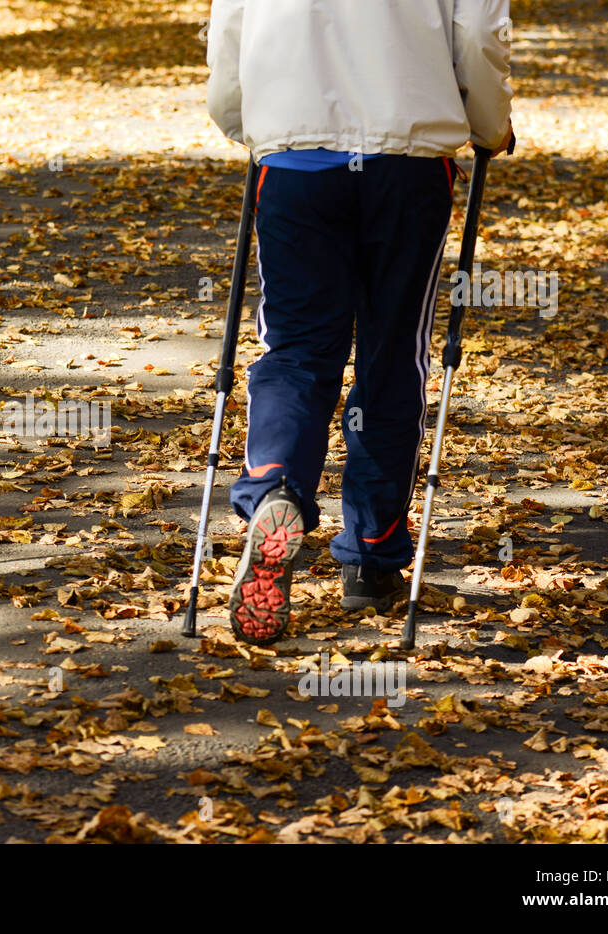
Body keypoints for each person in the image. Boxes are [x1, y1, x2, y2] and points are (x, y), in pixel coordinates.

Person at [206, 0, 514, 644]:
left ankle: (274, 489)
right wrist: (489, 126)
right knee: (391, 356)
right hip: (407, 164)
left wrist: (245, 124)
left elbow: (229, 35)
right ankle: (372, 555)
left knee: (296, 349)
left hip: (295, 160)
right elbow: (479, 35)